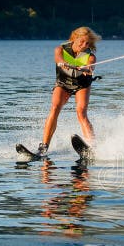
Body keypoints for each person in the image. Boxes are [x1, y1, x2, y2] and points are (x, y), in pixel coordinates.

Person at [38, 26, 101, 157]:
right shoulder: (60, 49)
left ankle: (92, 147)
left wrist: (86, 69)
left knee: (81, 112)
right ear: (74, 38)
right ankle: (43, 146)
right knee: (55, 107)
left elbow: (91, 66)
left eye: (87, 43)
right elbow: (58, 58)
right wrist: (63, 63)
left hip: (81, 84)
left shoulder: (90, 56)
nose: (84, 45)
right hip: (63, 82)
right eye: (81, 42)